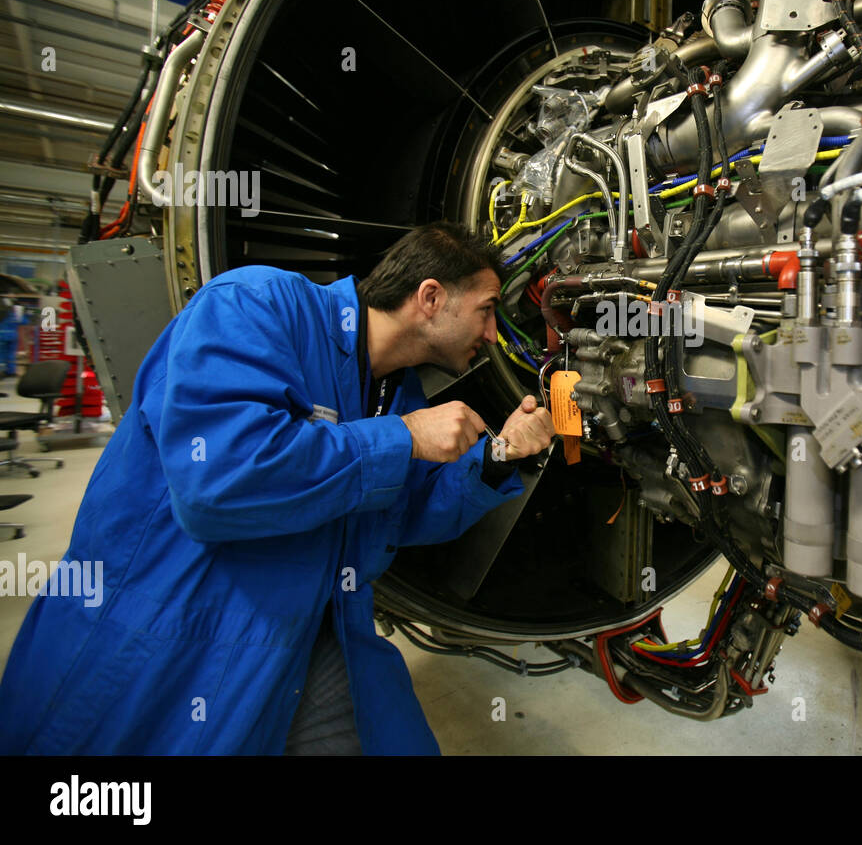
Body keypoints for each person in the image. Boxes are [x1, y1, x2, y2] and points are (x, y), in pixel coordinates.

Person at [0, 222, 555, 754]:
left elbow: (402, 515)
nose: (492, 335)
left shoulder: (396, 393)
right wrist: (400, 438)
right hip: (177, 627)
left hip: (312, 631)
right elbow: (216, 482)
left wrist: (499, 455)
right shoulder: (253, 304)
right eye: (486, 311)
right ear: (430, 298)